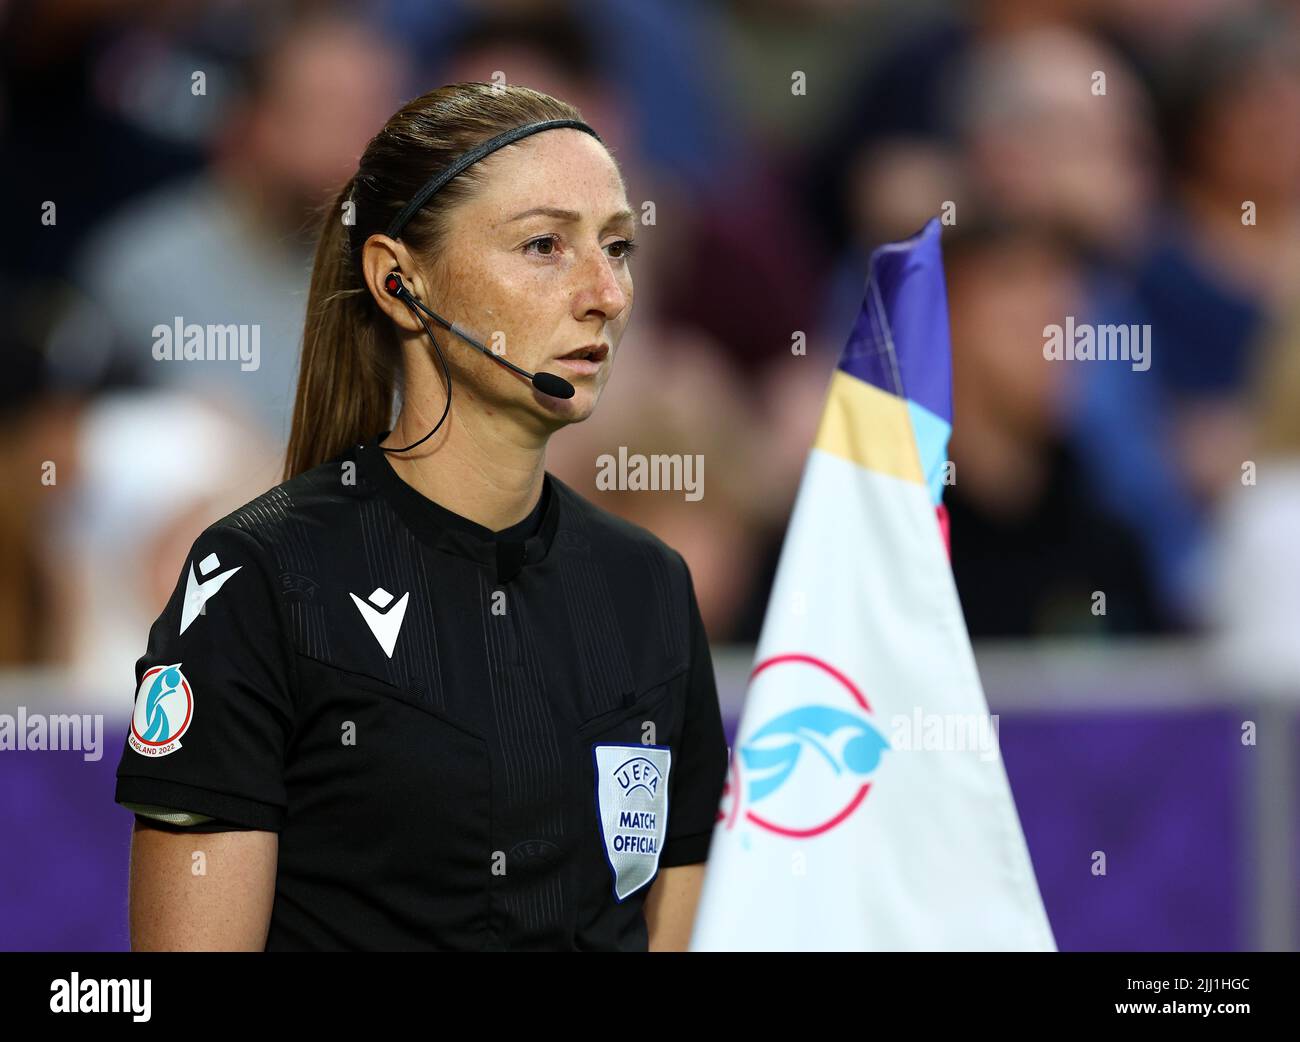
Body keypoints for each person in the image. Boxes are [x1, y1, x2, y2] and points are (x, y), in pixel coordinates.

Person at [113, 82, 729, 952]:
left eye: (618, 246)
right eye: (545, 244)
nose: (607, 294)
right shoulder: (258, 581)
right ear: (399, 284)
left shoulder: (651, 587)